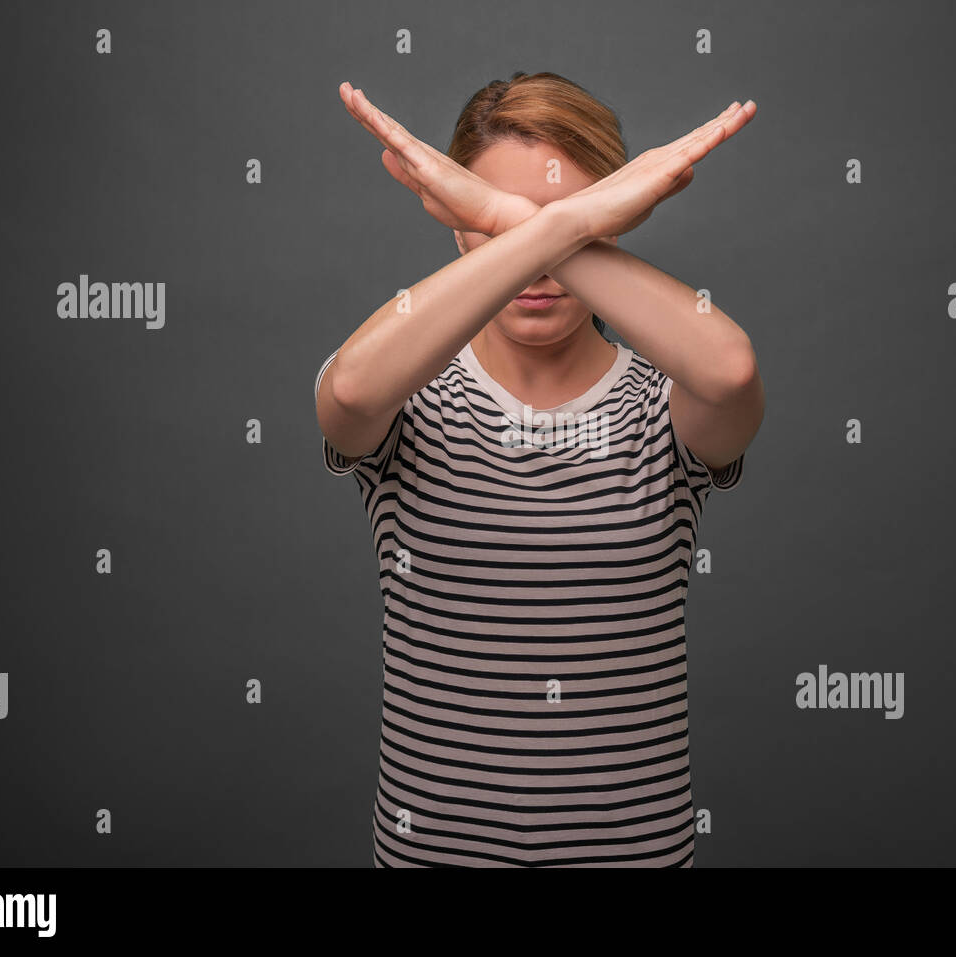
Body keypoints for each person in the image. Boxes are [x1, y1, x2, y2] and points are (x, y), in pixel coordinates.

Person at [315, 71, 763, 866]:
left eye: (579, 227)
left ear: (617, 222)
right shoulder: (416, 400)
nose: (540, 263)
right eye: (492, 221)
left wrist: (507, 221)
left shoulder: (664, 404)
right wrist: (547, 225)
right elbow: (347, 390)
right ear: (454, 225)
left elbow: (730, 374)